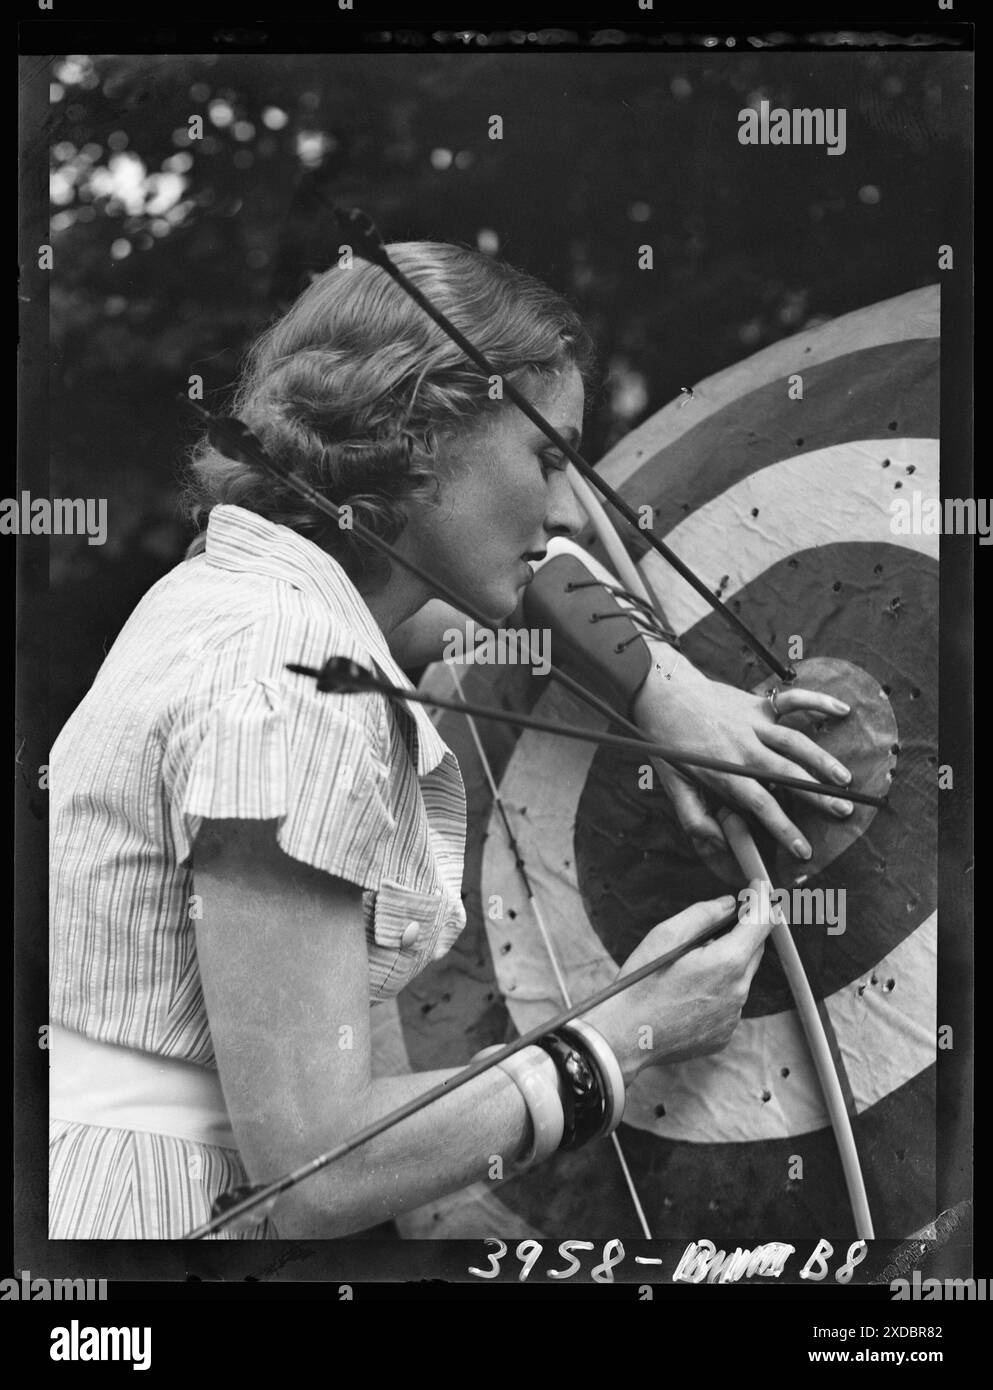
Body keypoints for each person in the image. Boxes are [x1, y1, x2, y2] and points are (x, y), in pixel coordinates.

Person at [49, 242, 856, 1239]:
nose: (568, 510)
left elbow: (504, 614)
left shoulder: (247, 602)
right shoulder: (288, 675)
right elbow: (312, 1173)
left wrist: (665, 690)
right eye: (551, 457)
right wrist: (622, 1037)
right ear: (421, 431)